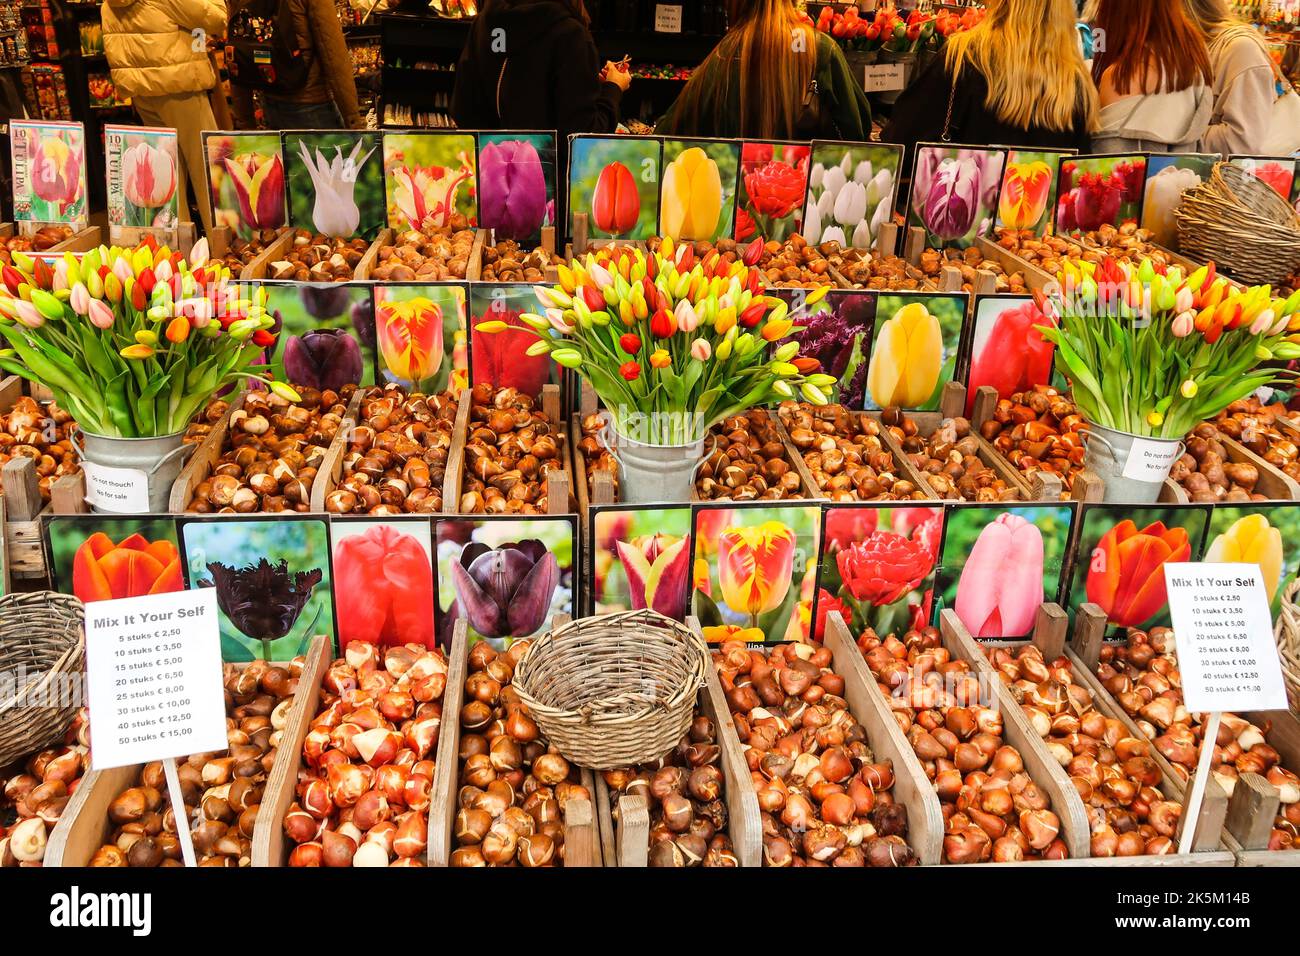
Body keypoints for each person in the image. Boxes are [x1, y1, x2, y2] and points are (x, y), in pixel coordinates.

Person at [884, 0, 1095, 157]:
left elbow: (902, 137)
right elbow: (1075, 170)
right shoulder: (1077, 81)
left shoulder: (964, 57)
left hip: (960, 209)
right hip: (1038, 213)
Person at [655, 0, 871, 140]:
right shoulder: (819, 48)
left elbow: (668, 132)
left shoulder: (724, 55)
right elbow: (859, 129)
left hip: (738, 199)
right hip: (808, 200)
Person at [102, 0, 226, 233]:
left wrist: (197, 39)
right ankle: (222, 247)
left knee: (168, 175)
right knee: (207, 168)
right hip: (179, 86)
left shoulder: (109, 3)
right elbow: (215, 18)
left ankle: (181, 251)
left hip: (143, 91)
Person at [452, 0, 629, 151]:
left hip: (488, 178)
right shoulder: (571, 35)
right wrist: (613, 89)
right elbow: (581, 140)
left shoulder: (484, 23)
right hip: (546, 183)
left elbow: (463, 110)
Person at [1090, 0, 1213, 152]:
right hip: (1186, 173)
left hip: (1132, 174)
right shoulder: (1196, 61)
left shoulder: (1121, 76)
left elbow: (1108, 161)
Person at [227, 0, 364, 130]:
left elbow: (236, 50)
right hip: (312, 103)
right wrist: (353, 120)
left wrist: (245, 122)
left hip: (270, 100)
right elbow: (333, 53)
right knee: (330, 154)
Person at [1185, 0, 1288, 155]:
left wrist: (1174, 135)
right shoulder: (1189, 45)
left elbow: (1241, 142)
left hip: (1225, 175)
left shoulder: (1240, 48)